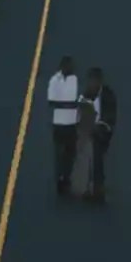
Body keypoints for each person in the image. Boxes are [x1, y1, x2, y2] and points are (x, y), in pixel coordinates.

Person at [47, 56, 79, 194]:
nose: (71, 68)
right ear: (62, 67)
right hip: (59, 123)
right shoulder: (55, 80)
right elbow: (51, 102)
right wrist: (70, 105)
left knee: (70, 153)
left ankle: (66, 177)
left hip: (72, 123)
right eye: (69, 66)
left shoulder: (74, 79)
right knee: (60, 153)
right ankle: (60, 179)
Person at [87, 67, 118, 203]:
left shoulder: (108, 95)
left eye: (94, 81)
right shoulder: (87, 94)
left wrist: (100, 127)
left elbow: (110, 117)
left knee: (97, 154)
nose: (92, 84)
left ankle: (98, 189)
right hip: (89, 129)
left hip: (103, 131)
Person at [70, 95, 97, 198]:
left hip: (83, 135)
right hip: (85, 136)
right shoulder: (89, 109)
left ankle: (81, 187)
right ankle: (83, 188)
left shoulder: (83, 109)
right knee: (86, 160)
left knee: (84, 160)